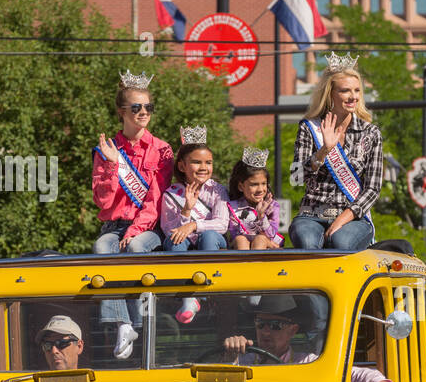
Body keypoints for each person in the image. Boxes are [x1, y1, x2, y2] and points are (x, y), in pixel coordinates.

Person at [92, 70, 174, 358]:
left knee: (137, 247)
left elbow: (156, 199)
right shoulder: (107, 149)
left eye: (148, 107)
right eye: (136, 107)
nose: (143, 113)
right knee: (103, 246)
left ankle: (137, 323)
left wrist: (135, 230)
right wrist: (114, 165)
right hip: (113, 227)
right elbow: (103, 202)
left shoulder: (162, 150)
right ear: (121, 111)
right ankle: (124, 324)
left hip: (147, 228)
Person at [220, 295, 401, 382]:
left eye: (275, 325)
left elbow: (353, 374)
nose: (265, 332)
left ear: (293, 330)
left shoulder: (306, 361)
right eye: (260, 324)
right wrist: (230, 355)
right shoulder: (243, 361)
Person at [289, 53, 384, 250]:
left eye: (357, 90)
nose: (353, 97)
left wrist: (341, 220)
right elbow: (296, 178)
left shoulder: (370, 133)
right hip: (311, 215)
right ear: (330, 93)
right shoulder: (310, 127)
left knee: (340, 242)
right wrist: (323, 151)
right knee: (307, 242)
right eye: (345, 91)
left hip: (352, 217)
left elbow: (373, 189)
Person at [160, 128, 231, 324]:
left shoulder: (218, 191)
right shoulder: (171, 194)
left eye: (208, 163)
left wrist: (192, 225)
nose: (203, 167)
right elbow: (169, 229)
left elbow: (222, 224)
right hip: (184, 246)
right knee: (174, 241)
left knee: (207, 236)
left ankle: (206, 294)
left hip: (211, 243)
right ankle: (188, 297)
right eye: (196, 162)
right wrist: (186, 211)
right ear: (182, 166)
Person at [227, 147, 283, 249]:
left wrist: (261, 216)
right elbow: (234, 234)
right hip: (241, 246)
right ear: (241, 186)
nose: (260, 189)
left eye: (263, 184)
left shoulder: (272, 206)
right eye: (254, 185)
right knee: (241, 239)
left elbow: (271, 235)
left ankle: (256, 265)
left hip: (266, 246)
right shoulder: (233, 207)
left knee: (260, 239)